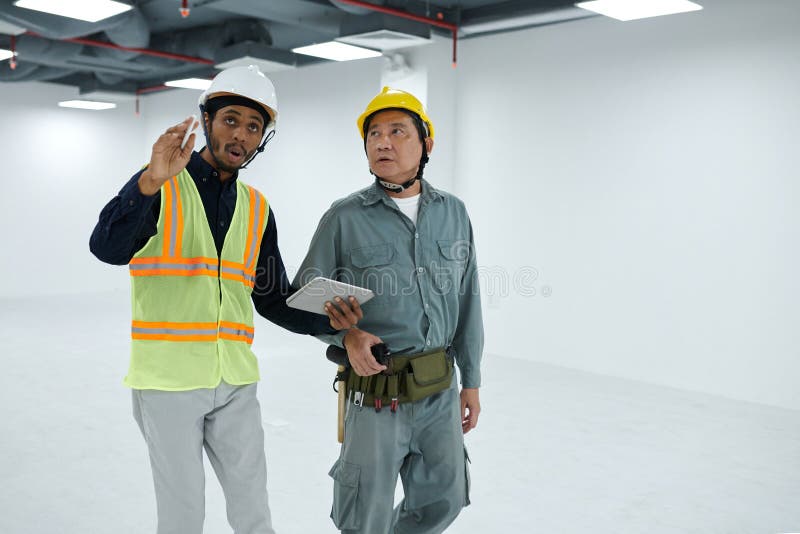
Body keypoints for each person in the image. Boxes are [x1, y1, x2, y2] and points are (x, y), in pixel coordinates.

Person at [89, 65, 361, 534]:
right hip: (168, 381)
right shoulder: (160, 184)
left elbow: (273, 297)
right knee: (183, 515)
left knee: (254, 511)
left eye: (254, 127)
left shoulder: (257, 208)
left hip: (234, 380)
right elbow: (106, 248)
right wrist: (149, 181)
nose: (241, 135)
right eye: (230, 119)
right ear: (207, 121)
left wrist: (332, 319)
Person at [294, 87, 484, 533]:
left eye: (397, 131)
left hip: (439, 389)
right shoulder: (344, 217)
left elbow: (469, 301)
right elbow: (306, 297)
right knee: (365, 514)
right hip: (377, 393)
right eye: (374, 134)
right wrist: (347, 337)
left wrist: (471, 381)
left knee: (445, 499)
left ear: (426, 145)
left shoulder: (454, 213)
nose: (383, 142)